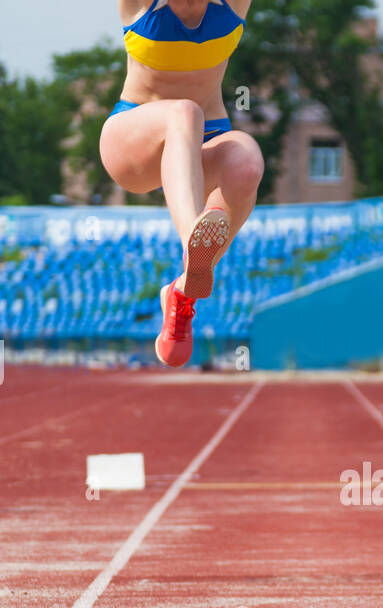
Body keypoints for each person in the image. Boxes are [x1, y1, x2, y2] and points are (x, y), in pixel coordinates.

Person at [99, 1, 263, 366]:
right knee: (184, 111)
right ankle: (194, 239)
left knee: (247, 159)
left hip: (205, 141)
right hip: (134, 139)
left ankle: (184, 290)